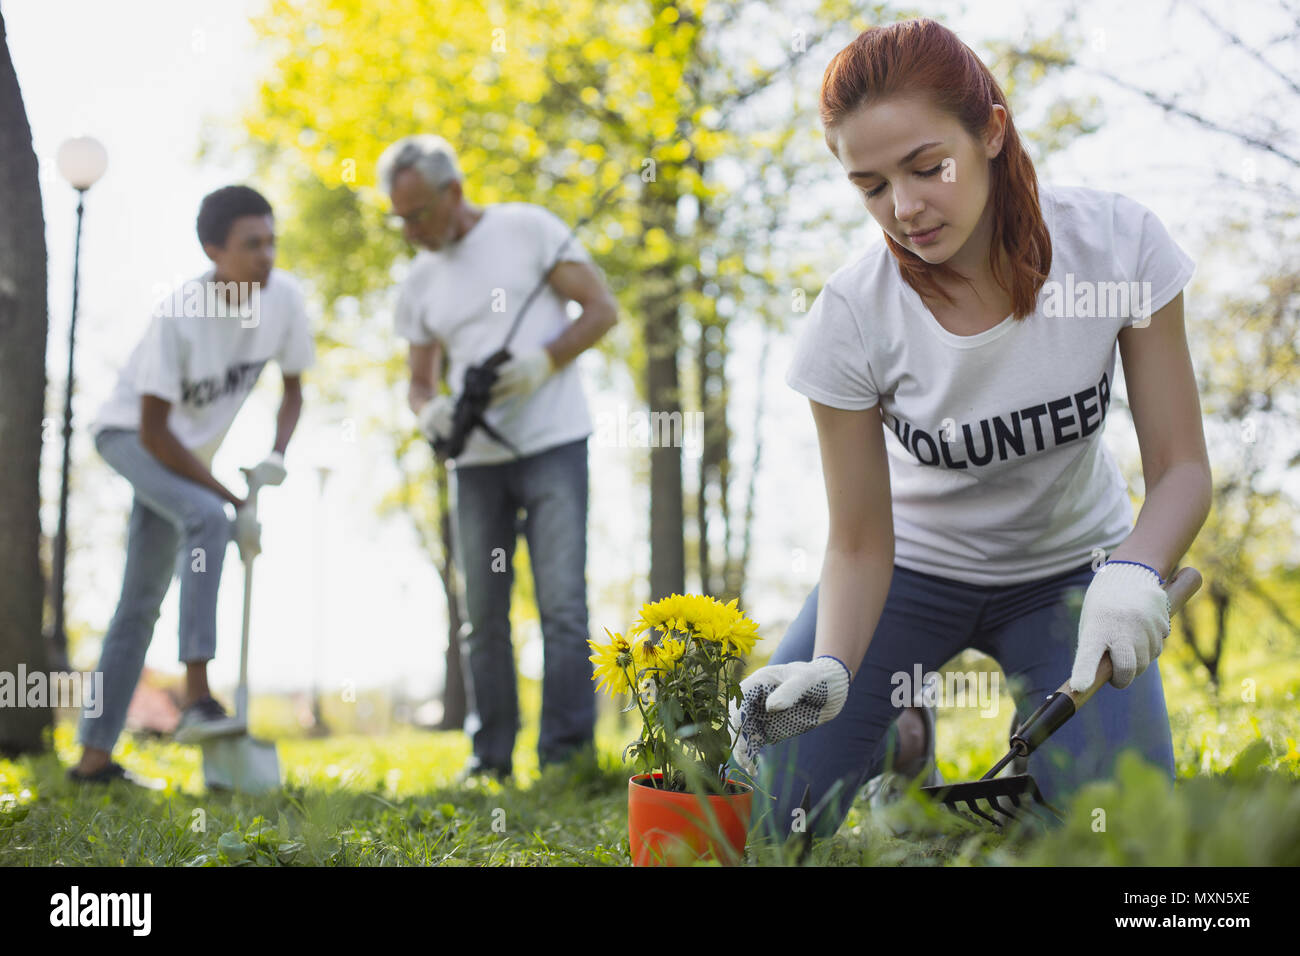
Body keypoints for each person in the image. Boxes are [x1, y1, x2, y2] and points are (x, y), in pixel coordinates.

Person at [731, 18, 1211, 840]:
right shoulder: (851, 318)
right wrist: (834, 669)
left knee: (1123, 837)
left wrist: (1135, 571)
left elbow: (1181, 469)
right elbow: (856, 543)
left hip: (1073, 576)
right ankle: (901, 735)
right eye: (872, 187)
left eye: (926, 167)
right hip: (907, 577)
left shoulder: (1116, 246)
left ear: (991, 129)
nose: (905, 208)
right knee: (778, 825)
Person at [377, 135, 619, 781]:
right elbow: (419, 382)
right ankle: (490, 760)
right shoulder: (420, 280)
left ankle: (567, 760)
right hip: (476, 463)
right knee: (482, 616)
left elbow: (601, 308)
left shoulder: (527, 229)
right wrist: (431, 412)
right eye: (399, 218)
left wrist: (543, 361)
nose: (410, 230)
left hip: (554, 445)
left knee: (563, 607)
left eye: (418, 214)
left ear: (453, 192)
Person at [69, 185, 315, 784]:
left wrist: (277, 455)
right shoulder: (182, 314)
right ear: (213, 250)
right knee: (207, 519)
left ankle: (93, 761)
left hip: (181, 458)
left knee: (138, 603)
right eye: (251, 244)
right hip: (130, 437)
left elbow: (294, 388)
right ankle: (198, 694)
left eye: (271, 241)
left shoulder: (283, 301)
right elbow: (153, 433)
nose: (267, 255)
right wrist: (227, 498)